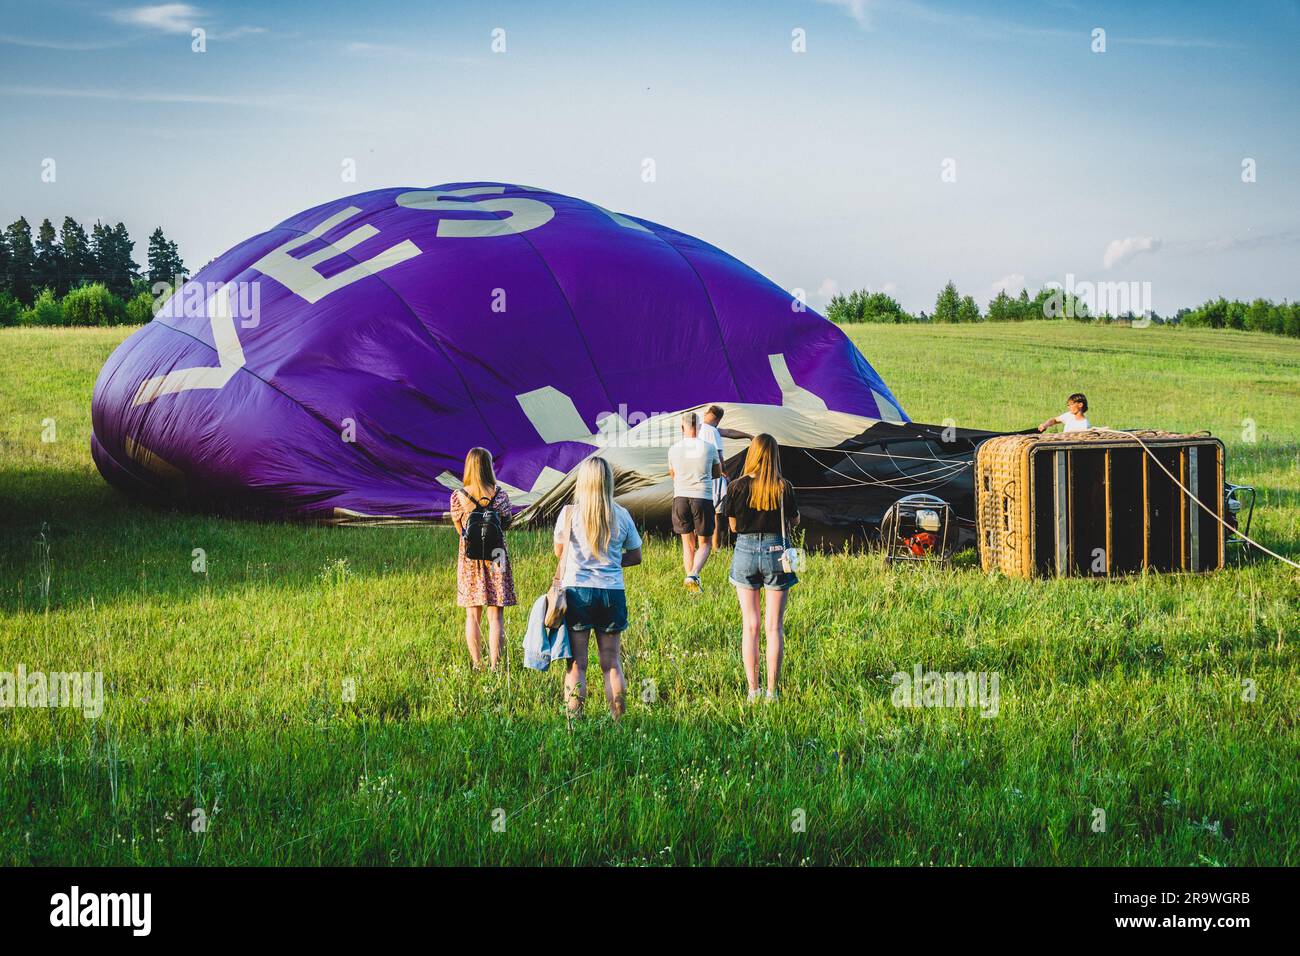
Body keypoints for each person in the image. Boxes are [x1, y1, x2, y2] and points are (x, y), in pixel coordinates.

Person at [553, 457, 643, 720]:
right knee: (612, 664)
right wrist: (613, 562)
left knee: (576, 664)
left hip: (577, 593)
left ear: (582, 482)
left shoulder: (569, 514)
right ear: (608, 482)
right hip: (611, 593)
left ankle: (575, 723)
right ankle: (619, 721)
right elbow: (636, 556)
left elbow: (560, 552)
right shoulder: (621, 514)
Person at [725, 434, 798, 703]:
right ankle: (772, 691)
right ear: (774, 455)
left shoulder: (736, 486)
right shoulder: (783, 487)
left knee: (750, 625)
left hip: (744, 552)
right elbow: (794, 519)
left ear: (752, 454)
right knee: (773, 626)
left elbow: (732, 526)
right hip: (776, 554)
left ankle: (752, 690)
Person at [448, 447, 516, 670]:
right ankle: (496, 665)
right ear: (488, 467)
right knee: (496, 616)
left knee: (472, 615)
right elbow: (506, 523)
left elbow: (461, 531)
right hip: (497, 557)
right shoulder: (501, 494)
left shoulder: (458, 497)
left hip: (471, 560)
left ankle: (478, 663)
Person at [667, 411, 721, 593]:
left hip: (680, 497)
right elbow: (717, 473)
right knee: (704, 543)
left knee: (687, 544)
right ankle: (694, 574)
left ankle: (692, 587)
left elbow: (672, 474)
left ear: (682, 428)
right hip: (702, 497)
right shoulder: (709, 448)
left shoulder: (673, 449)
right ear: (698, 427)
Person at [698, 406, 728, 549]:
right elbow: (719, 454)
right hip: (714, 476)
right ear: (717, 419)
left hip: (700, 475)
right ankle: (716, 547)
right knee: (717, 514)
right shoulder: (711, 431)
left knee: (701, 513)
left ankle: (701, 545)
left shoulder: (700, 428)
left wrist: (747, 435)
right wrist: (725, 471)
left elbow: (728, 432)